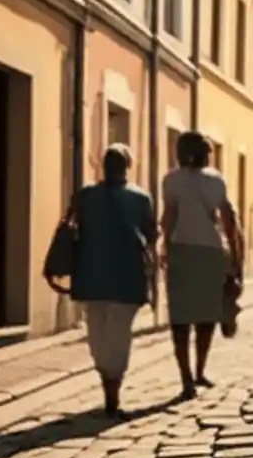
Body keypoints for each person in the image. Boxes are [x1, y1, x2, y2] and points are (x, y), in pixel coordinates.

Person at [65, 144, 157, 420]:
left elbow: (71, 225)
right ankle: (112, 390)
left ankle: (109, 387)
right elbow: (152, 235)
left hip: (92, 277)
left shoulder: (86, 196)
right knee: (118, 337)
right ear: (127, 167)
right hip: (127, 279)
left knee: (98, 337)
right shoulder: (141, 199)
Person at [161, 132, 243, 400]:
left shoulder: (170, 181)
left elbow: (168, 218)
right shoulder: (215, 180)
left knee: (181, 319)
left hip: (181, 251)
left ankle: (186, 378)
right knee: (206, 317)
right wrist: (236, 257)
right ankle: (199, 371)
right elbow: (229, 221)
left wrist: (164, 247)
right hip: (210, 252)